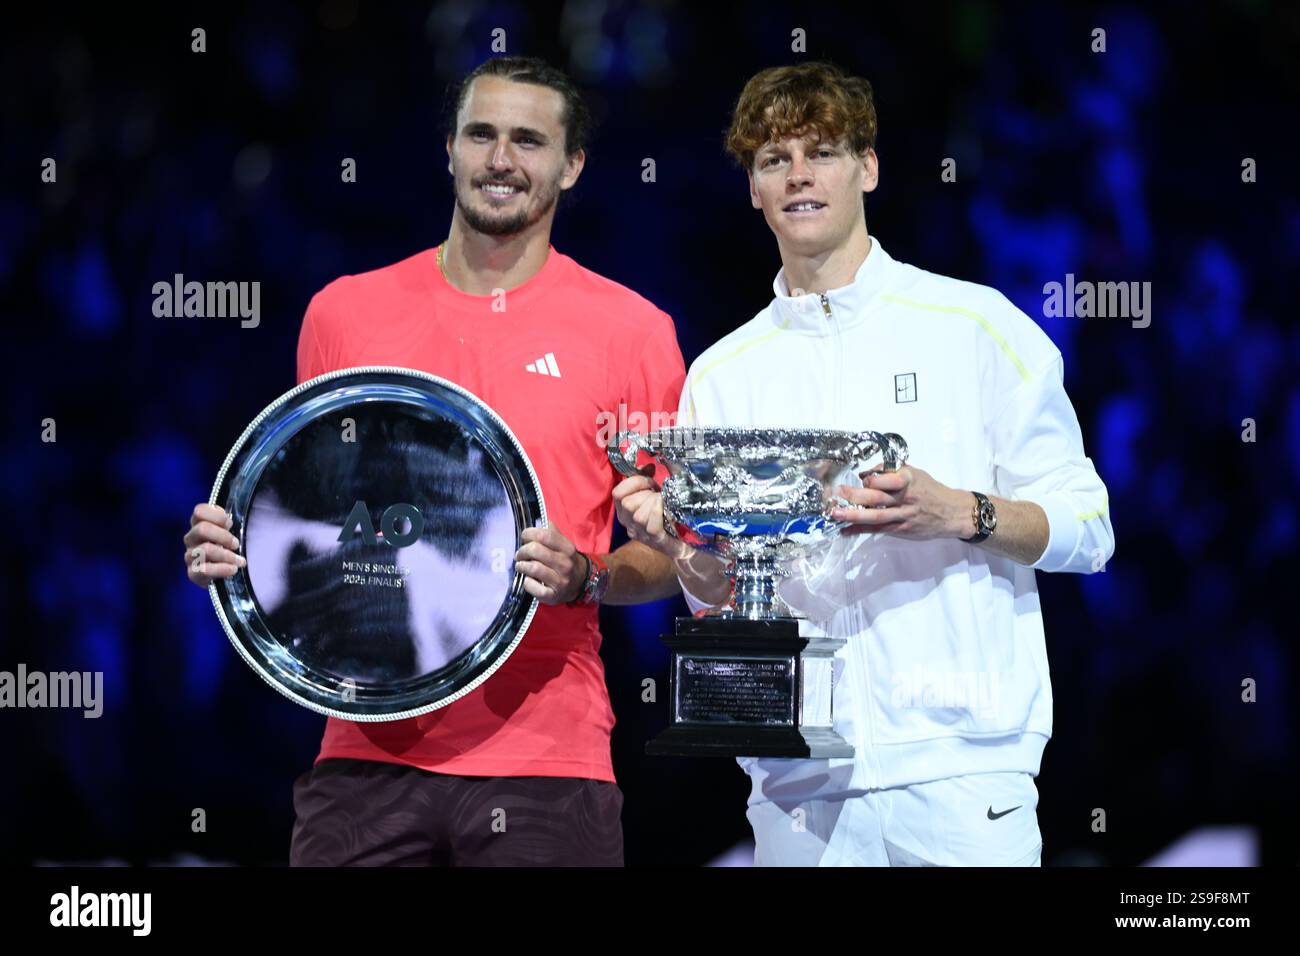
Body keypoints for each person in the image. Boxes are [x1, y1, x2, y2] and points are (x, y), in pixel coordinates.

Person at [183, 56, 687, 866]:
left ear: (572, 165)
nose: (501, 160)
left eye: (529, 140)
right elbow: (313, 512)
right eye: (481, 134)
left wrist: (590, 577)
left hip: (547, 759)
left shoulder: (632, 333)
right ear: (448, 149)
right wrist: (239, 548)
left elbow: (681, 556)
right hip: (364, 750)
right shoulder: (344, 315)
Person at [614, 61, 1115, 866]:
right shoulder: (723, 373)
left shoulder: (975, 326)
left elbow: (1090, 527)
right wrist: (681, 546)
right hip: (797, 784)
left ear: (869, 168)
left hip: (962, 775)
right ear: (752, 187)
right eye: (774, 159)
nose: (799, 175)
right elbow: (720, 604)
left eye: (823, 152)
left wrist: (961, 512)